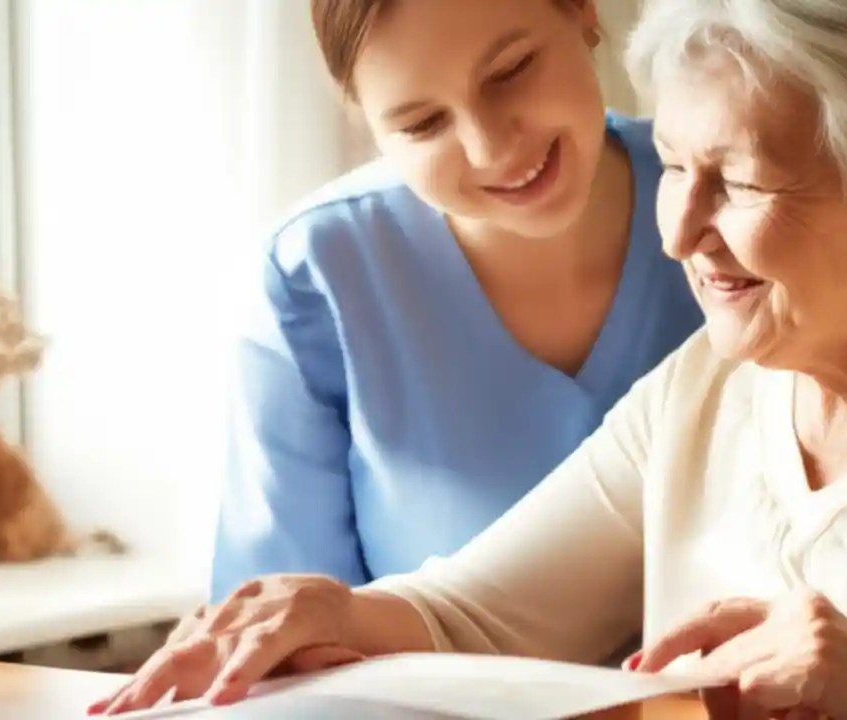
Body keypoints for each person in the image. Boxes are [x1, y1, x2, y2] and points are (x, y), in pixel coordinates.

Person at [97, 0, 847, 717]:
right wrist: (332, 608)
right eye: (675, 167)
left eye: (739, 183)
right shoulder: (710, 385)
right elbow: (477, 615)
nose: (678, 229)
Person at [209, 0, 702, 599]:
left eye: (510, 71)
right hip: (414, 699)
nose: (490, 148)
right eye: (422, 125)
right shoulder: (315, 279)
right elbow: (279, 640)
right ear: (367, 125)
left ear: (581, 11)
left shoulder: (738, 198)